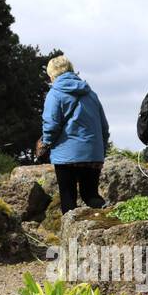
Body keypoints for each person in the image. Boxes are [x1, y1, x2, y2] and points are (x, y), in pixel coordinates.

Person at [37, 54, 110, 213]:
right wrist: (100, 150)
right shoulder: (91, 94)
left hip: (66, 155)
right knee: (91, 195)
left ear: (52, 75)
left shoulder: (55, 93)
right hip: (93, 154)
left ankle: (70, 233)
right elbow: (104, 127)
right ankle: (108, 216)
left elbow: (51, 124)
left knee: (68, 197)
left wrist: (47, 143)